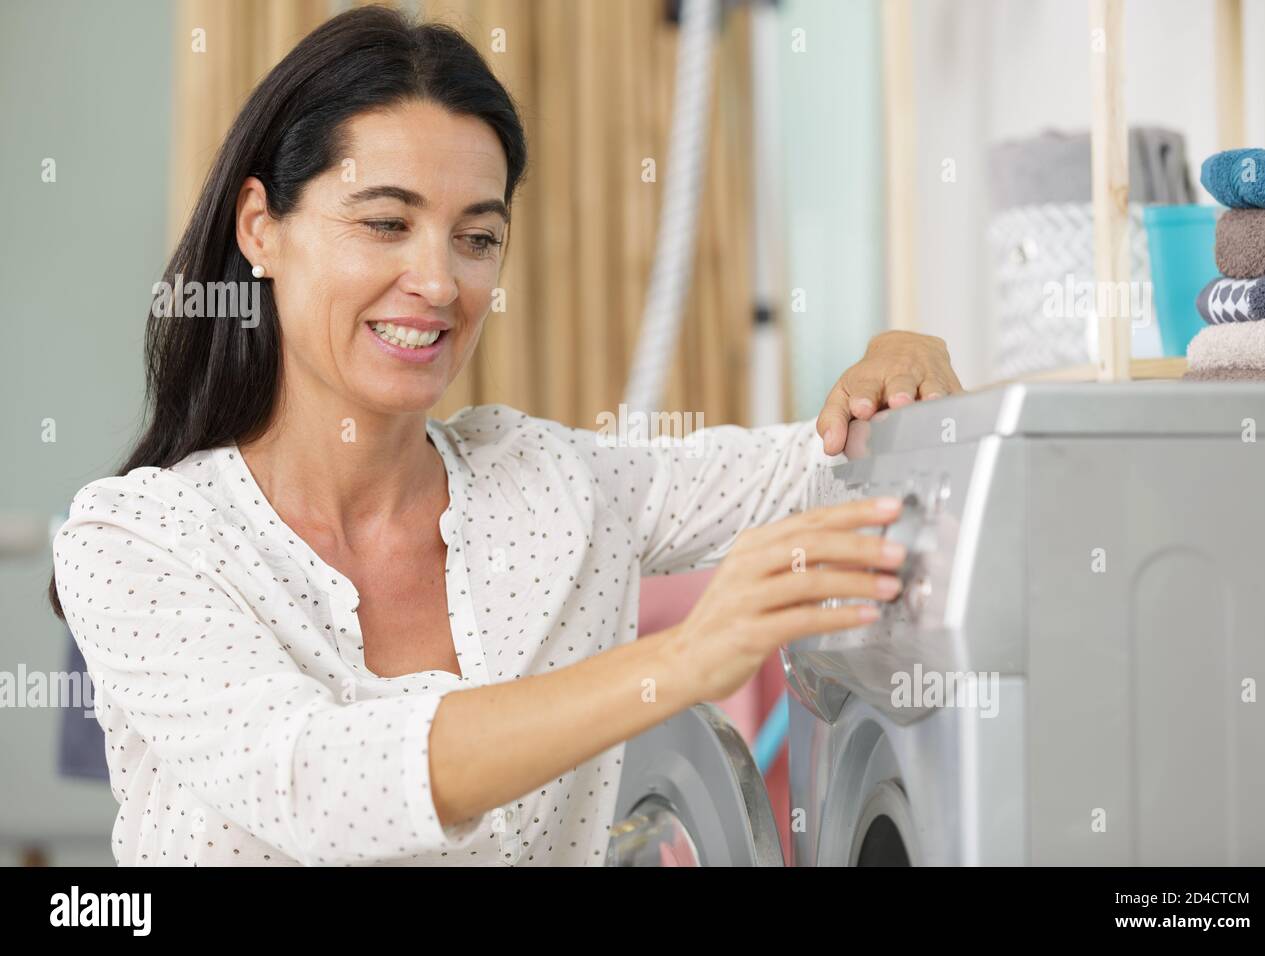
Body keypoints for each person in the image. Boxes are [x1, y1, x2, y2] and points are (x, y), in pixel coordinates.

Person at [49, 6, 962, 866]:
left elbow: (826, 466)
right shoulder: (140, 541)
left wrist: (899, 362)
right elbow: (315, 781)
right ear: (261, 227)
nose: (438, 281)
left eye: (476, 238)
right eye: (386, 224)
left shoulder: (553, 486)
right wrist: (681, 661)